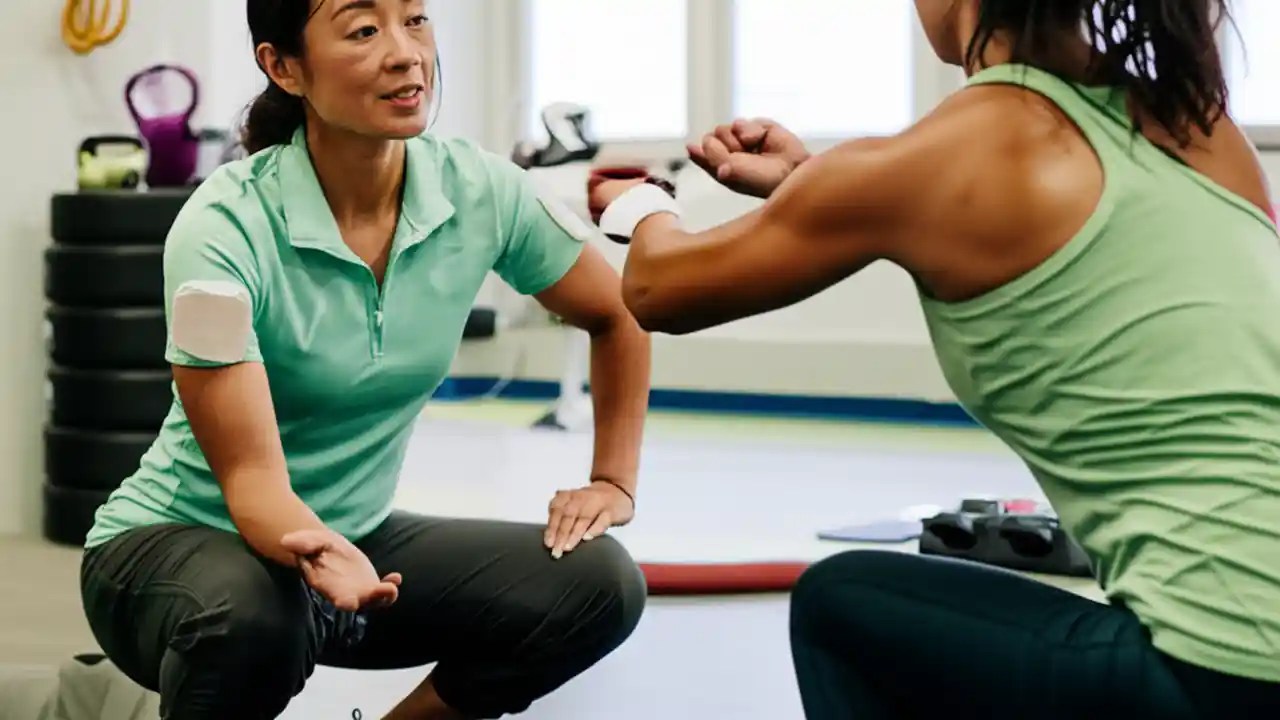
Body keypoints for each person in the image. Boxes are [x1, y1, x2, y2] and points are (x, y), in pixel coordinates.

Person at [589, 0, 1280, 716]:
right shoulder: (1201, 126)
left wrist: (644, 204)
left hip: (1228, 679)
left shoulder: (946, 156)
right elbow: (1011, 207)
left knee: (843, 606)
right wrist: (820, 181)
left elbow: (657, 288)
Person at [79, 1, 652, 718]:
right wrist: (321, 551)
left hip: (353, 541)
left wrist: (612, 480)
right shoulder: (225, 224)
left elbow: (621, 308)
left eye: (414, 20)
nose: (406, 53)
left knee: (598, 583)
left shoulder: (479, 190)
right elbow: (253, 484)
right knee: (255, 615)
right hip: (174, 548)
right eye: (362, 30)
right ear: (283, 67)